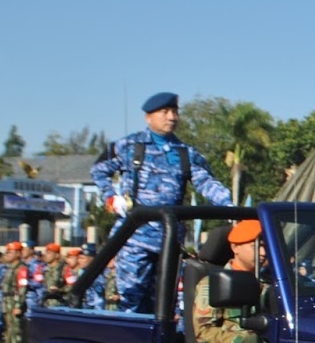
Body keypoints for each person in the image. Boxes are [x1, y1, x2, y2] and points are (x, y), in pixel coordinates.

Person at [91, 91, 233, 313]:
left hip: (169, 237)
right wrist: (110, 197)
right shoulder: (130, 146)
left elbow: (206, 182)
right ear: (148, 117)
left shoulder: (186, 153)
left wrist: (228, 205)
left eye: (174, 112)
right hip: (134, 236)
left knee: (165, 303)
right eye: (165, 112)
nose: (171, 117)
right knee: (131, 298)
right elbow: (99, 170)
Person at [194, 219, 279, 343]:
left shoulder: (272, 282)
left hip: (272, 342)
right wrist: (244, 340)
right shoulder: (213, 284)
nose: (263, 252)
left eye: (265, 247)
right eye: (255, 246)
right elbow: (203, 331)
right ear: (235, 247)